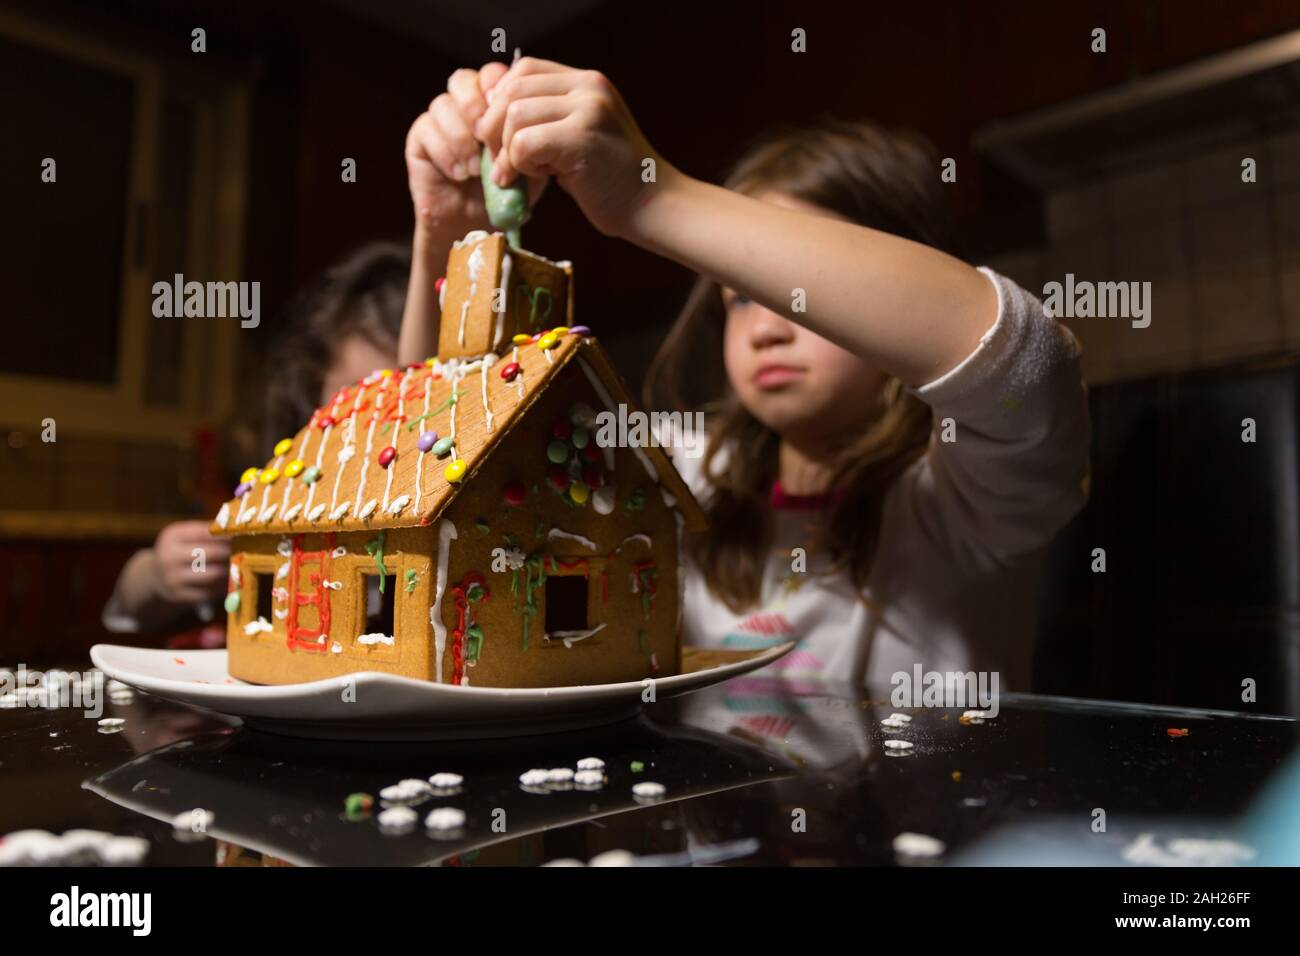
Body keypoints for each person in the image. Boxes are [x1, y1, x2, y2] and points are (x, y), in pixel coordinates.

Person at [397, 60, 1090, 690]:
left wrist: (651, 197)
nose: (766, 329)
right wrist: (452, 236)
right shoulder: (684, 471)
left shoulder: (964, 501)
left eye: (805, 299)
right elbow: (436, 465)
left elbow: (1025, 366)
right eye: (741, 298)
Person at [103, 243, 412, 639]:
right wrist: (155, 576)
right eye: (353, 399)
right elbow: (129, 605)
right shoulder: (281, 490)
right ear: (314, 388)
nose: (376, 429)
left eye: (400, 403)